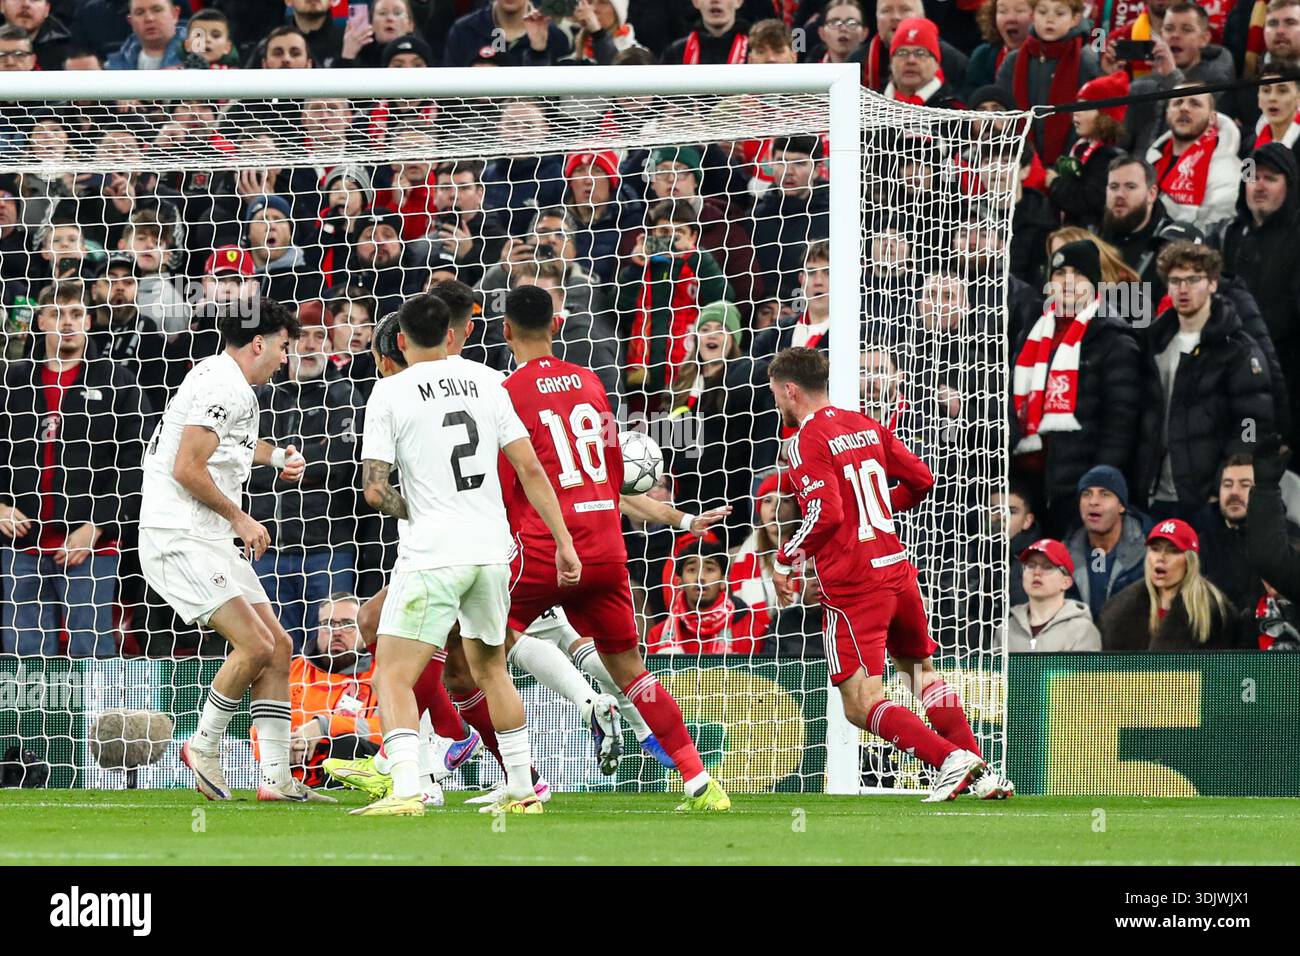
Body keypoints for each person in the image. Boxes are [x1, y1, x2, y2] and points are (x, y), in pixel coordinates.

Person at [495, 284, 732, 810]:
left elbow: (512, 482)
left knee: (483, 645)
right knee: (631, 668)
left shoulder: (505, 392)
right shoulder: (590, 384)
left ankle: (520, 782)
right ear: (557, 326)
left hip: (544, 551)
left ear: (505, 330)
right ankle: (698, 781)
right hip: (606, 547)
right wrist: (681, 517)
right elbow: (614, 480)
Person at [353, 292, 581, 817]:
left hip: (433, 552)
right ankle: (524, 789)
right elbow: (529, 467)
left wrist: (419, 511)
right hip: (491, 551)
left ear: (401, 341)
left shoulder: (389, 393)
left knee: (392, 672)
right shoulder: (488, 381)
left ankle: (408, 788)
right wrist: (563, 541)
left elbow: (374, 490)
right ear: (452, 335)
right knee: (491, 669)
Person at [767, 347, 1012, 801]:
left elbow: (826, 514)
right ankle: (983, 775)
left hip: (856, 584)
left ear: (789, 390)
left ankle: (949, 760)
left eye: (776, 394)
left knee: (860, 705)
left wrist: (785, 559)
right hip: (897, 570)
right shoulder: (865, 425)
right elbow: (921, 479)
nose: (777, 403)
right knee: (922, 674)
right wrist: (878, 510)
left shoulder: (804, 441)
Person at [137, 299, 333, 803]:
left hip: (208, 538)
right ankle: (203, 746)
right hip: (178, 535)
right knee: (255, 645)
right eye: (285, 348)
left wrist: (277, 456)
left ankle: (275, 780)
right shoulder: (222, 385)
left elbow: (234, 447)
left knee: (280, 646)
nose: (286, 359)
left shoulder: (229, 382)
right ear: (260, 343)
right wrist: (240, 518)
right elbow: (186, 467)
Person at [0, 281, 150, 658]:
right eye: (57, 313)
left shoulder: (118, 381)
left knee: (92, 654)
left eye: (76, 314)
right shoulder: (12, 382)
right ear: (40, 320)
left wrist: (97, 526)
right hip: (20, 546)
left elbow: (137, 462)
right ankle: (34, 723)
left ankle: (99, 721)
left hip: (90, 546)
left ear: (89, 321)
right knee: (24, 659)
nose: (67, 323)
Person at [246, 309, 364, 654]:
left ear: (330, 345)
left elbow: (342, 462)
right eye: (301, 338)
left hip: (328, 550)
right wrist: (304, 460)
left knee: (334, 650)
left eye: (319, 336)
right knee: (273, 651)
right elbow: (241, 458)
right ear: (285, 346)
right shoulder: (261, 397)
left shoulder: (344, 396)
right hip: (267, 549)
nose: (310, 345)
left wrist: (278, 460)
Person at [1010, 240, 1142, 535]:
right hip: (1028, 480)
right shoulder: (1032, 331)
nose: (1068, 281)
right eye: (1060, 273)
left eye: (1078, 273)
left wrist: (1098, 486)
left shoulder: (1113, 339)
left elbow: (1120, 423)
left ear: (1094, 282)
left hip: (1079, 487)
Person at [1135, 242, 1274, 519]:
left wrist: (1223, 483)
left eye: (1193, 279)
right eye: (1175, 281)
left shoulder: (1236, 348)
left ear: (1212, 284)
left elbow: (1251, 422)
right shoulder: (1153, 343)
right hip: (1153, 496)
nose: (1182, 289)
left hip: (1205, 500)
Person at [1212, 143, 1300, 447]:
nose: (1258, 185)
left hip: (1285, 379)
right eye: (1252, 177)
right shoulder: (1227, 235)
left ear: (1290, 186)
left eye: (1270, 178)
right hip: (1229, 377)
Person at [281, 593, 381, 789]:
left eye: (347, 624)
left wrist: (325, 726)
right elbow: (259, 729)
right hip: (292, 777)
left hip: (360, 774)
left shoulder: (381, 671)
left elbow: (389, 731)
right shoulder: (295, 670)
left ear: (364, 631)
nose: (336, 632)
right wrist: (285, 742)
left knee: (347, 743)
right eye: (327, 624)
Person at [1099, 519, 1245, 649]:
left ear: (1190, 561)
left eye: (1173, 551)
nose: (1161, 558)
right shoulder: (1119, 611)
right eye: (1155, 549)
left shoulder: (1216, 614)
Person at [996, 0, 1102, 164]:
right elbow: (1003, 111)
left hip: (1069, 163)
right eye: (1043, 12)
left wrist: (1066, 162)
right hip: (1019, 162)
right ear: (1033, 15)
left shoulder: (1086, 60)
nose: (1049, 19)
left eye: (1059, 13)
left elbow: (1089, 118)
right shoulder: (1014, 60)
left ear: (1075, 18)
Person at [1124, 2, 1237, 153]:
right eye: (1169, 29)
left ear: (1204, 38)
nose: (1175, 35)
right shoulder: (1142, 85)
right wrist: (1110, 78)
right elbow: (1121, 140)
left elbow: (1201, 124)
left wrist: (1172, 75)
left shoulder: (1218, 78)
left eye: (1186, 30)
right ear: (1161, 35)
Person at [1192, 453, 1300, 612]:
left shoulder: (1289, 538)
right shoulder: (1204, 542)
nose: (1234, 492)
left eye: (1245, 484)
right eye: (1227, 484)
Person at [1145, 87, 1242, 231]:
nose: (1184, 108)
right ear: (1167, 113)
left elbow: (1216, 229)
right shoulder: (1151, 160)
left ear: (1212, 118)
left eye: (1195, 103)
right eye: (1177, 103)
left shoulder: (1229, 168)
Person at [647, 539, 764, 655]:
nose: (700, 577)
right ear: (679, 582)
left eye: (709, 569)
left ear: (724, 581)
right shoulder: (657, 635)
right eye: (692, 570)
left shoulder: (751, 630)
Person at [1065, 464, 1151, 620]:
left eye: (1105, 494)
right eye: (1086, 494)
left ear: (1121, 506)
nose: (1093, 501)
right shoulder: (1063, 555)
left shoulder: (1150, 552)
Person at [1047, 72, 1129, 229]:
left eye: (1084, 107)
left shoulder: (1110, 159)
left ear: (1105, 116)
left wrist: (1055, 183)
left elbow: (1086, 200)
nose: (1075, 112)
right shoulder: (1079, 146)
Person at [1006, 538, 1101, 651]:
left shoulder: (1082, 631)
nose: (1036, 573)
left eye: (1048, 567)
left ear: (1066, 582)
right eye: (1031, 566)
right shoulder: (1007, 629)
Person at [885, 18, 965, 108]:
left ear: (936, 64)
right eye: (902, 53)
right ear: (891, 63)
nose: (911, 60)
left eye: (920, 53)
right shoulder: (871, 103)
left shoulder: (953, 111)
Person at [661, 0, 750, 64]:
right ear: (696, 2)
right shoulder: (675, 52)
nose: (715, 1)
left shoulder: (754, 50)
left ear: (739, 1)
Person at [105, 0, 186, 70]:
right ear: (131, 22)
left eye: (157, 10)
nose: (149, 18)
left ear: (175, 15)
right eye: (139, 13)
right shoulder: (113, 67)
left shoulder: (196, 56)